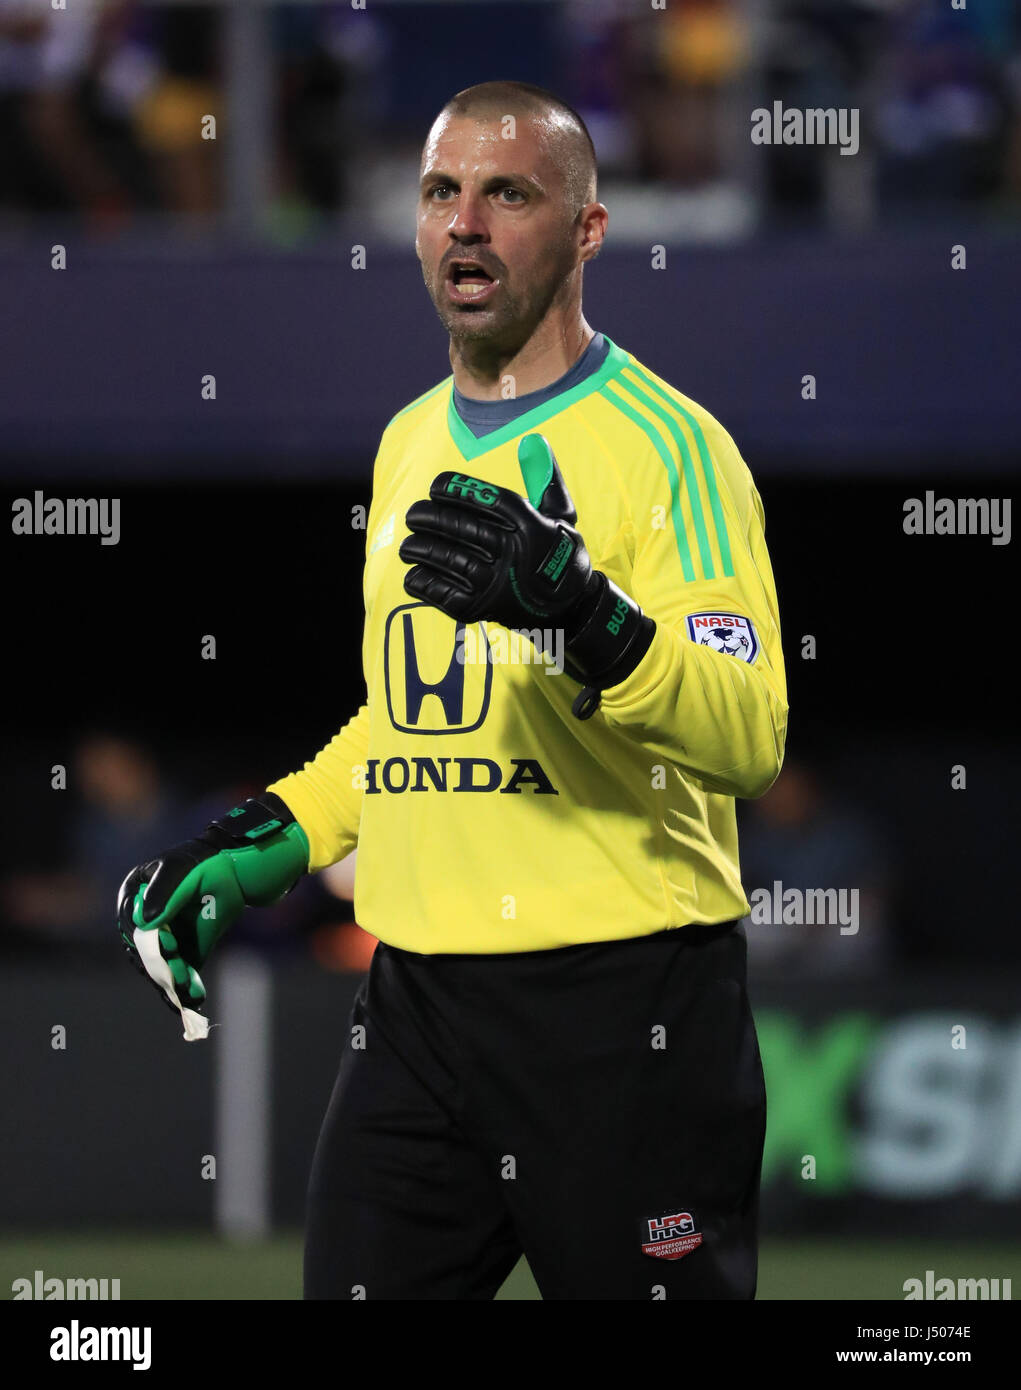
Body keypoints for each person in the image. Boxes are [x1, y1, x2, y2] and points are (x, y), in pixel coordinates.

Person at [117, 80, 788, 1300]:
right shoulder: (407, 442)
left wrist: (588, 616)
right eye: (440, 192)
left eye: (507, 193)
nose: (464, 222)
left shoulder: (672, 449)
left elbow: (749, 733)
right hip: (415, 1006)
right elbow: (407, 723)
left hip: (625, 1006)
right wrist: (249, 848)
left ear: (586, 230)